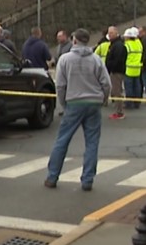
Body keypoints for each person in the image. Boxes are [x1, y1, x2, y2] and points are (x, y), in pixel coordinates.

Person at [45, 28, 111, 191]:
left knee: (63, 139)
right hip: (93, 102)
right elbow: (106, 83)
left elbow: (60, 85)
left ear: (74, 40)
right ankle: (87, 179)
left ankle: (52, 176)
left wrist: (64, 103)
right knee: (92, 142)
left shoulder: (65, 59)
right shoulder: (96, 60)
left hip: (74, 101)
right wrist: (103, 99)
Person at [101, 27, 126, 119]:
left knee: (117, 91)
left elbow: (117, 60)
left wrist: (110, 67)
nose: (109, 34)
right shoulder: (114, 44)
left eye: (111, 33)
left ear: (116, 33)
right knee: (116, 91)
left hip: (116, 71)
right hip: (115, 71)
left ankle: (119, 112)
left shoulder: (118, 45)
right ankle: (118, 111)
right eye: (109, 33)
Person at [122, 28, 144, 110]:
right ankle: (137, 102)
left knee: (129, 87)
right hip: (137, 68)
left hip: (129, 68)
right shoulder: (139, 44)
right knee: (137, 86)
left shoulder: (127, 45)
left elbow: (124, 56)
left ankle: (129, 103)